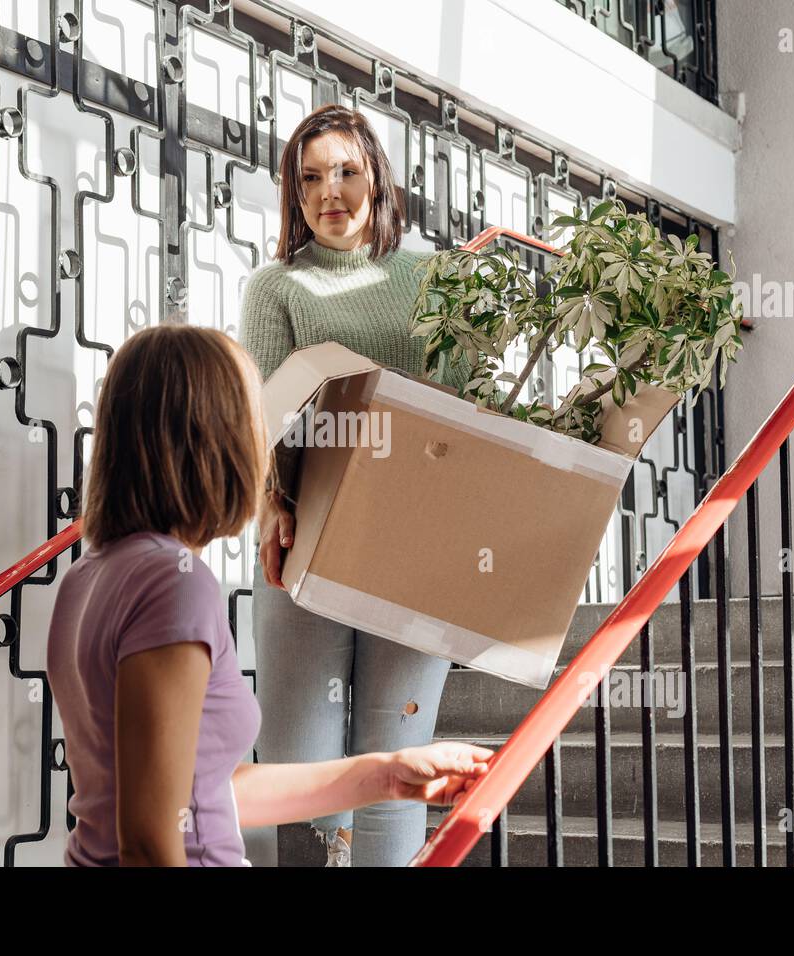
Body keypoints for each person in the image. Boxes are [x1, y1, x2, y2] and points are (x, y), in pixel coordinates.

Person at [46, 324, 490, 867]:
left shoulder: (85, 579)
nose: (266, 436)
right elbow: (146, 840)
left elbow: (207, 794)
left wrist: (389, 775)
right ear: (211, 436)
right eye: (254, 414)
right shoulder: (171, 583)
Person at [239, 103, 471, 866]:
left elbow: (466, 403)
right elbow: (269, 408)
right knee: (302, 762)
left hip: (418, 542)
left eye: (344, 170)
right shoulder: (277, 286)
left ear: (375, 172)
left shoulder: (432, 277)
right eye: (309, 179)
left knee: (398, 760)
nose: (328, 192)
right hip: (308, 538)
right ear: (294, 196)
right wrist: (272, 502)